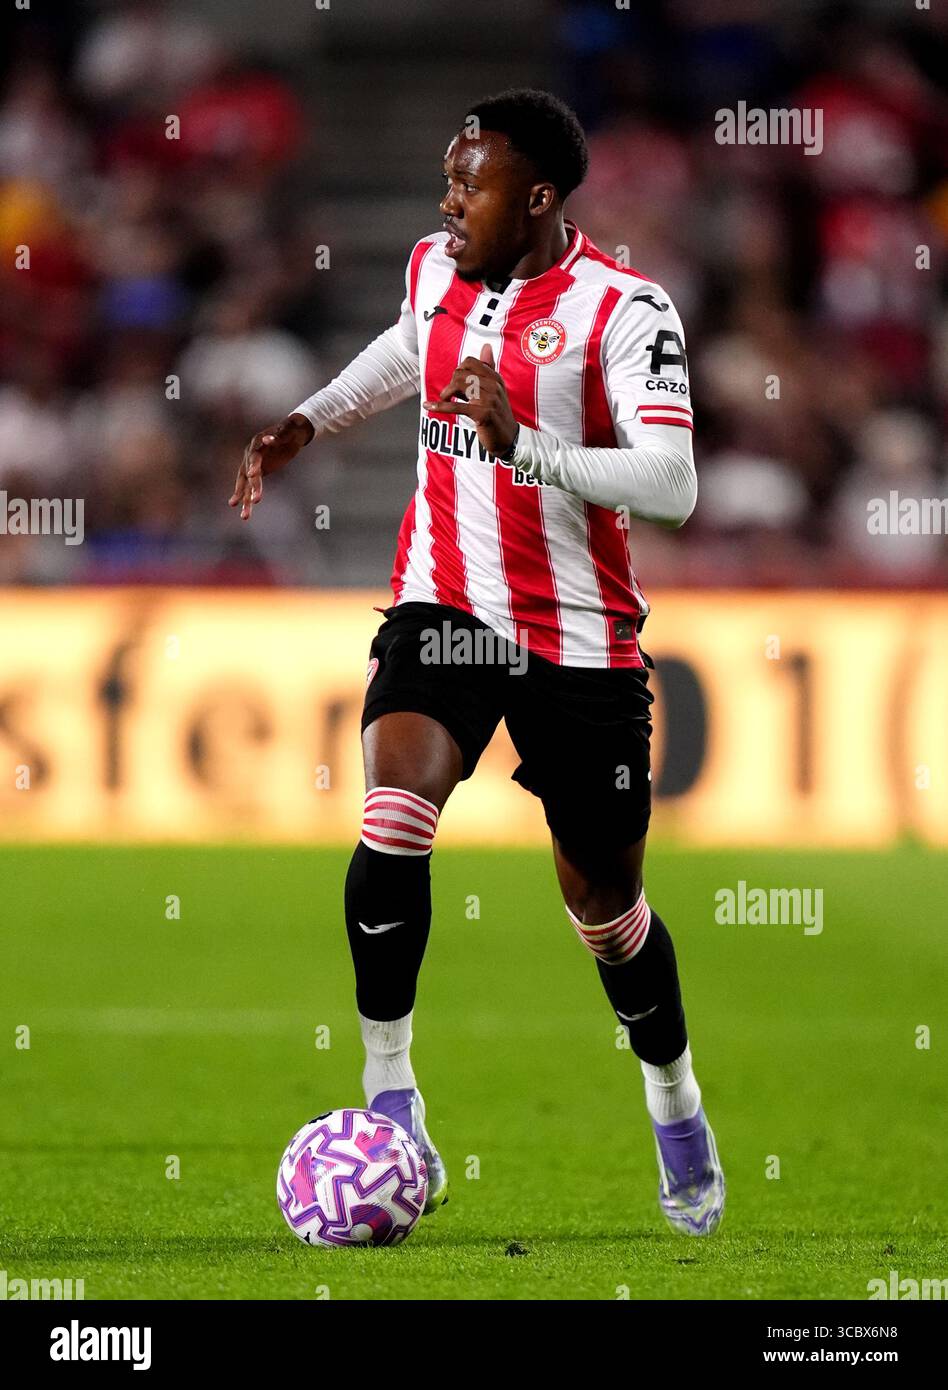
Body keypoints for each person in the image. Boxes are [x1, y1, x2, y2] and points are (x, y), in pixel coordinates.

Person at [231, 89, 724, 1236]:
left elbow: (676, 485)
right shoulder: (432, 267)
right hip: (442, 603)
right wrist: (309, 418)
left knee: (605, 904)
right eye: (449, 178)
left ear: (539, 199)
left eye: (472, 184)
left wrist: (528, 445)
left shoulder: (625, 309)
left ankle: (674, 1097)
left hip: (579, 639)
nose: (448, 200)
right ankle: (392, 1096)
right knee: (393, 801)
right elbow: (410, 348)